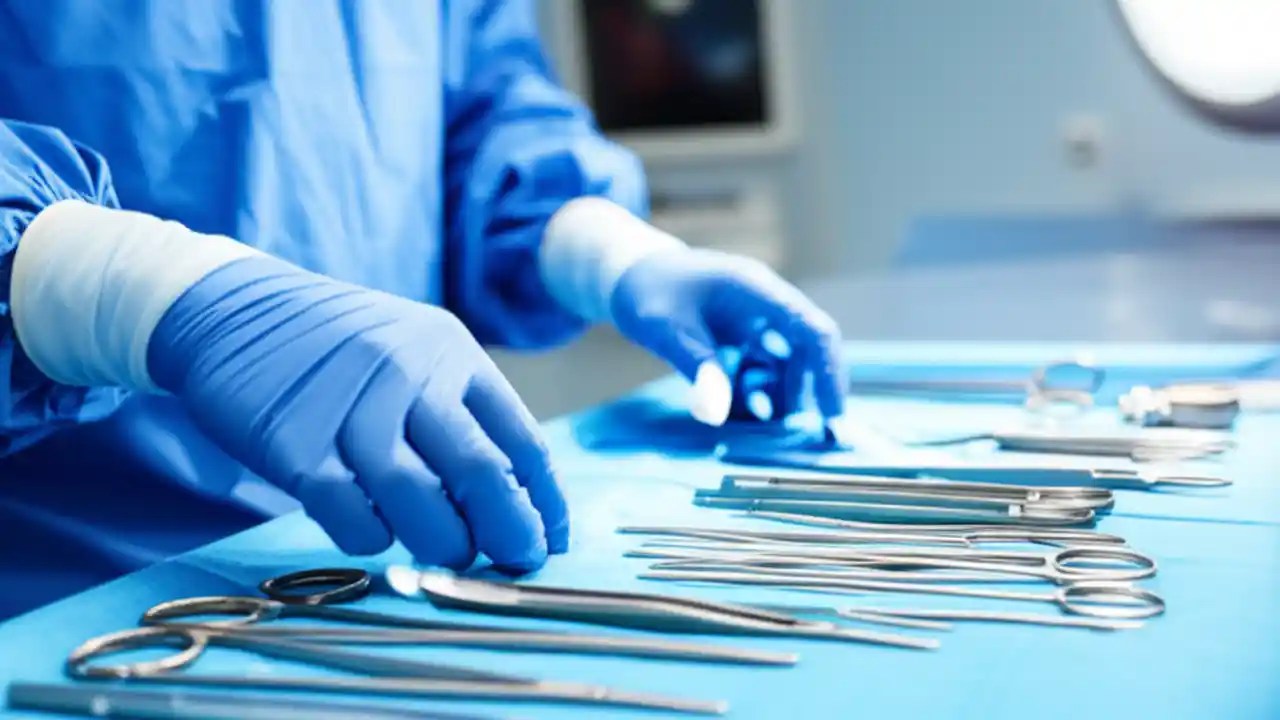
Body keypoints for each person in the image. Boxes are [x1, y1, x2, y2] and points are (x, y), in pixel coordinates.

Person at [0, 0, 842, 618]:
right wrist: (119, 288)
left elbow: (480, 112)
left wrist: (611, 253)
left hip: (384, 563)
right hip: (69, 588)